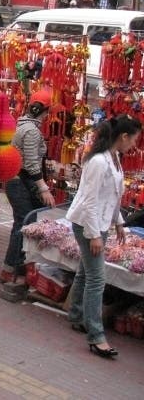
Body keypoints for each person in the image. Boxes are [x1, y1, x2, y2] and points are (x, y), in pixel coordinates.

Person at [65, 115, 141, 358]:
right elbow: (90, 200)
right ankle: (96, 336)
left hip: (99, 223)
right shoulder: (98, 161)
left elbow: (111, 196)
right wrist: (94, 234)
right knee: (97, 278)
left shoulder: (115, 158)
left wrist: (118, 222)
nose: (135, 145)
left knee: (86, 272)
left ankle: (77, 315)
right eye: (135, 139)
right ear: (124, 136)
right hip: (88, 224)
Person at [0, 90, 56, 283]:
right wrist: (43, 188)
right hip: (20, 180)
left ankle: (18, 264)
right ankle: (10, 268)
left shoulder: (23, 124)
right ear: (44, 111)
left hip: (17, 179)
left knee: (25, 222)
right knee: (23, 223)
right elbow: (32, 163)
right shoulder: (31, 131)